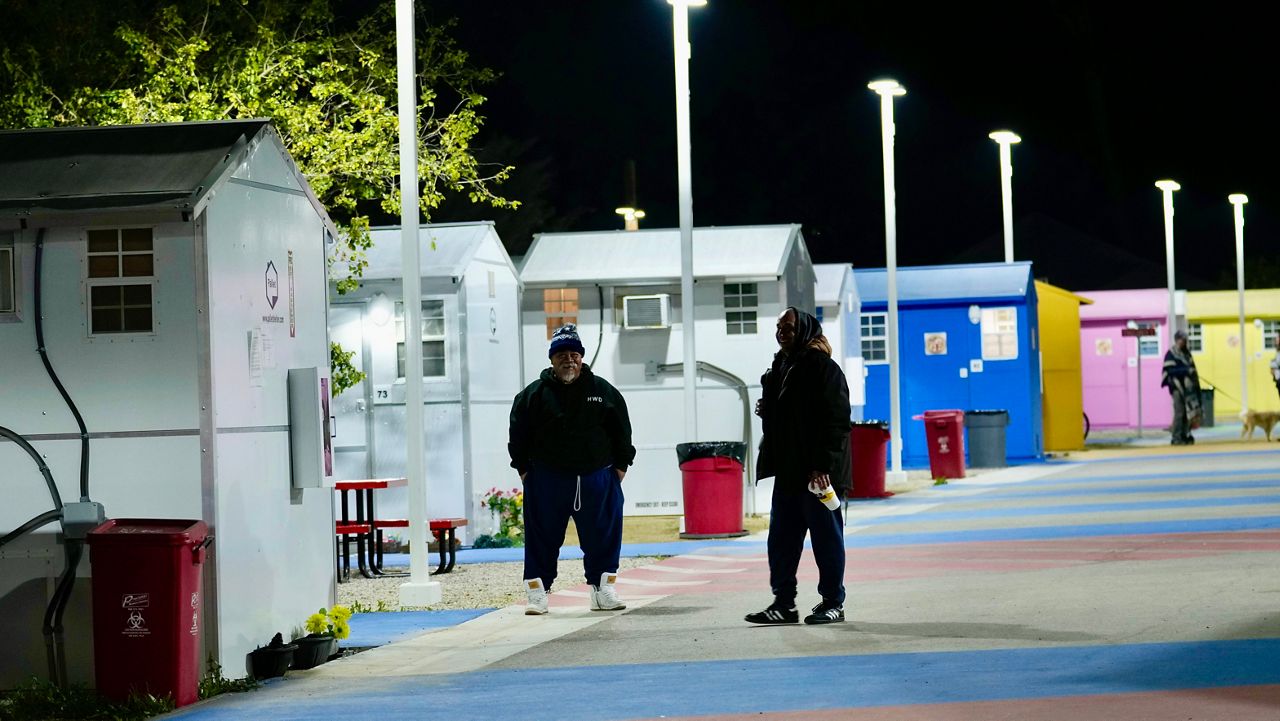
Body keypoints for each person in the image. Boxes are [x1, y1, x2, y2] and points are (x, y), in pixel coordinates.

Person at [508, 323, 635, 615]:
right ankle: (537, 594)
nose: (569, 359)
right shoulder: (533, 396)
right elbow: (518, 437)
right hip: (547, 481)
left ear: (582, 357)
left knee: (604, 535)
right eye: (562, 354)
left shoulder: (603, 391)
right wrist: (525, 471)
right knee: (542, 537)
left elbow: (622, 433)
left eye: (574, 354)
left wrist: (619, 468)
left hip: (598, 478)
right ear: (552, 359)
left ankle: (603, 590)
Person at [746, 307, 852, 625]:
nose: (782, 332)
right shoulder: (781, 367)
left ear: (805, 330)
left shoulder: (823, 368)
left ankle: (833, 602)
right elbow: (790, 417)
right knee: (781, 539)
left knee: (826, 540)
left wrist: (823, 465)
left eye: (789, 328)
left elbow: (837, 420)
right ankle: (783, 604)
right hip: (790, 471)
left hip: (819, 475)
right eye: (779, 327)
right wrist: (769, 409)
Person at [1161, 329, 1202, 445]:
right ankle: (1176, 436)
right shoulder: (1171, 353)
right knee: (1179, 412)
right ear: (1177, 340)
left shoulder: (1187, 353)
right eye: (1181, 339)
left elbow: (1192, 368)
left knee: (1188, 412)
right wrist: (1186, 370)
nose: (1183, 342)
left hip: (1188, 388)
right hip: (1177, 387)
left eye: (1185, 340)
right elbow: (1170, 370)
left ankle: (1185, 434)